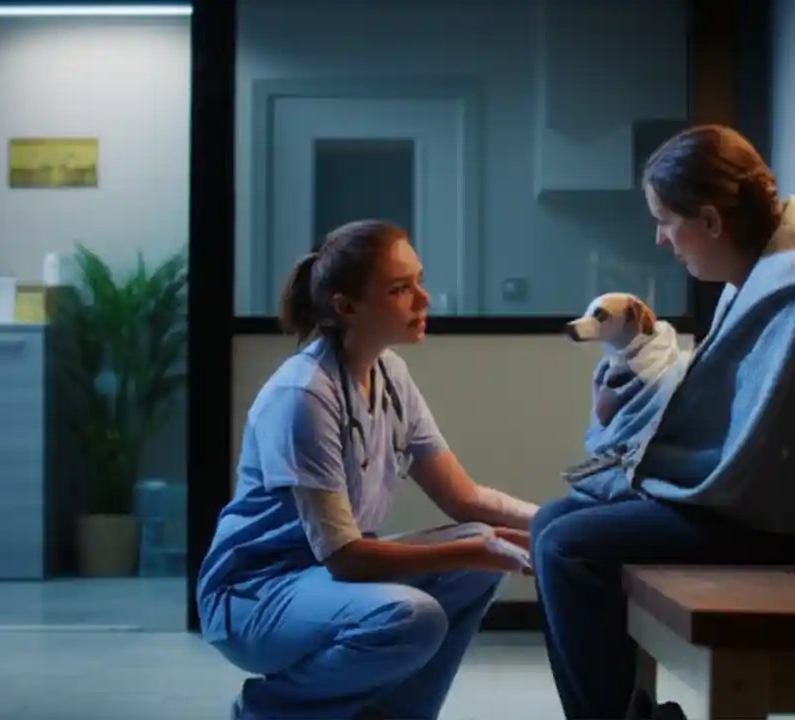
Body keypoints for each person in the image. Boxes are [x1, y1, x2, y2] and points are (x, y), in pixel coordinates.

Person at [530, 125, 795, 719]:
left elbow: (778, 471)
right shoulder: (766, 269)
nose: (661, 238)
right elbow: (748, 424)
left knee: (570, 547)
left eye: (666, 220)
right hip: (777, 502)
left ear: (710, 220)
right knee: (553, 521)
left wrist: (642, 474)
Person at [197, 219, 540, 720]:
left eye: (419, 280)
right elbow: (346, 559)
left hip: (323, 580)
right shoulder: (303, 396)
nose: (424, 299)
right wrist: (479, 550)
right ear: (347, 307)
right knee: (414, 614)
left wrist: (560, 523)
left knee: (478, 548)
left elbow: (463, 497)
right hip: (256, 594)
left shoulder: (391, 374)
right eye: (401, 289)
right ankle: (268, 712)